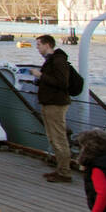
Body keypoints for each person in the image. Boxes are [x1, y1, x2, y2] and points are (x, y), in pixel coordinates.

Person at [33, 34, 74, 182]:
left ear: (47, 45)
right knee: (53, 138)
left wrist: (40, 75)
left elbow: (62, 83)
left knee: (58, 138)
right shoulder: (51, 61)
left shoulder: (58, 60)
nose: (37, 48)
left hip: (56, 104)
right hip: (49, 102)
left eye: (38, 45)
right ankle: (61, 169)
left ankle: (65, 172)